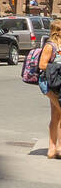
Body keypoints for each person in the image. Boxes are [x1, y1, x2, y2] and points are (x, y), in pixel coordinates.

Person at [41, 19, 61, 158]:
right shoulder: (50, 46)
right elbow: (42, 65)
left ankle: (52, 148)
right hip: (50, 84)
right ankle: (57, 148)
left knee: (56, 115)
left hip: (58, 84)